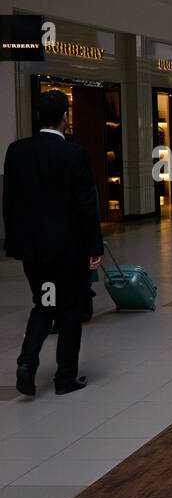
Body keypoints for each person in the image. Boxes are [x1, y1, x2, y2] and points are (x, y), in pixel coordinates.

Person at [5, 91, 105, 396]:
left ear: (38, 117)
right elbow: (85, 204)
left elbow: (9, 202)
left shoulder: (17, 151)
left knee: (44, 303)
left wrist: (16, 242)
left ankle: (27, 363)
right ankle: (65, 377)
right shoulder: (74, 154)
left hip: (35, 252)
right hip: (68, 251)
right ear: (66, 117)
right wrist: (94, 247)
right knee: (70, 309)